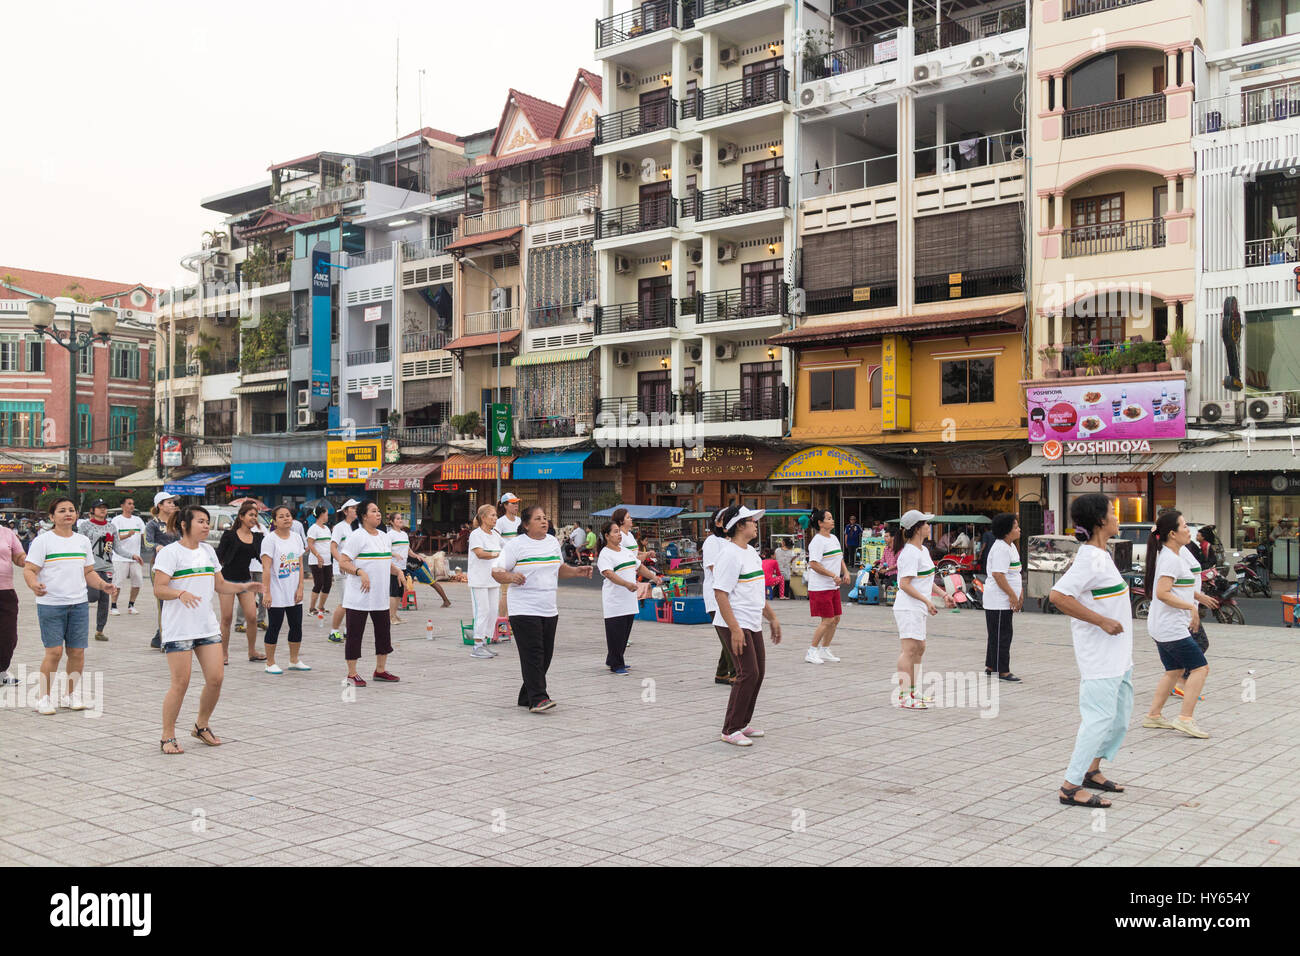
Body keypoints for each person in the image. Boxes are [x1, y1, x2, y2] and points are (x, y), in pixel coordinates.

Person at [1048, 493, 1133, 809]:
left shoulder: (1102, 554)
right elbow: (1058, 596)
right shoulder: (1088, 558)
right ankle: (1070, 787)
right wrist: (1101, 621)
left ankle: (1092, 769)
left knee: (1119, 719)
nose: (1116, 516)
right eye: (1112, 512)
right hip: (1100, 660)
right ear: (1100, 520)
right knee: (1098, 720)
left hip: (1120, 658)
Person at [154, 505, 259, 753]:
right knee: (181, 682)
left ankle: (201, 726)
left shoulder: (208, 551)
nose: (206, 526)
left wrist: (245, 586)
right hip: (179, 628)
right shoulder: (170, 553)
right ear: (184, 524)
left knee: (216, 678)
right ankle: (167, 736)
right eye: (201, 521)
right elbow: (159, 588)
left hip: (206, 627)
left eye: (207, 522)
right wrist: (179, 592)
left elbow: (220, 585)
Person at [492, 505, 593, 713]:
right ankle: (538, 698)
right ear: (526, 525)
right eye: (538, 519)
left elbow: (559, 568)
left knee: (545, 655)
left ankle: (526, 694)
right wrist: (511, 577)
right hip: (524, 609)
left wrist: (577, 572)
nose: (544, 521)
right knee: (533, 653)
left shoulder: (552, 543)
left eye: (545, 518)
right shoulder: (515, 545)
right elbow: (497, 571)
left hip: (548, 608)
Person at [24, 498, 117, 714]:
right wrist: (34, 585)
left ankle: (70, 695)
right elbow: (29, 569)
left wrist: (103, 585)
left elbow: (88, 572)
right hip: (51, 604)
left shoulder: (82, 541)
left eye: (72, 510)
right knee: (54, 652)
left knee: (77, 652)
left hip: (78, 604)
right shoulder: (43, 541)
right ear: (51, 516)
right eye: (62, 510)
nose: (68, 514)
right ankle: (43, 698)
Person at [713, 506, 782, 746]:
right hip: (734, 622)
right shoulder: (729, 554)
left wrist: (771, 618)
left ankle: (742, 723)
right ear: (740, 525)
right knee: (747, 673)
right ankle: (730, 729)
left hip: (752, 621)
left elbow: (756, 592)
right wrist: (734, 628)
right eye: (752, 521)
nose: (756, 524)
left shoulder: (751, 552)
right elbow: (720, 594)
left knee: (758, 673)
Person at [1141, 510, 1212, 739]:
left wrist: (1198, 598)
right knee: (1201, 668)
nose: (1187, 530)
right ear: (1172, 533)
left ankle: (1153, 716)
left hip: (1163, 625)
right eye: (1183, 526)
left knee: (1174, 670)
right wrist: (1191, 607)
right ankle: (1185, 718)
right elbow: (1162, 593)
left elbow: (1177, 587)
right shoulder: (1171, 558)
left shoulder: (1173, 554)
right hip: (1170, 626)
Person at [892, 510, 954, 710]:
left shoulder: (923, 550)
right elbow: (904, 584)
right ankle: (904, 696)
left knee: (920, 649)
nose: (930, 526)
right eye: (927, 523)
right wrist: (926, 602)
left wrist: (943, 594)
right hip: (908, 607)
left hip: (918, 607)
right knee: (909, 650)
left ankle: (913, 690)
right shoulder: (909, 552)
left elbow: (926, 580)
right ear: (918, 528)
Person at [337, 501, 400, 686]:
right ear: (364, 516)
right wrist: (360, 572)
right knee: (355, 634)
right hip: (359, 597)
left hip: (380, 596)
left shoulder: (384, 536)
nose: (378, 514)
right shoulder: (357, 536)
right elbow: (343, 562)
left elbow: (384, 561)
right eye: (374, 511)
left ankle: (380, 670)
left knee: (383, 634)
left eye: (379, 511)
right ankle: (352, 673)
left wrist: (399, 572)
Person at [597, 519, 660, 675]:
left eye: (619, 531)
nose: (619, 535)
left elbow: (639, 567)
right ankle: (616, 664)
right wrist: (626, 584)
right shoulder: (605, 554)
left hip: (629, 599)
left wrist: (654, 577)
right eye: (615, 532)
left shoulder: (625, 551)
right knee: (615, 633)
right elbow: (609, 574)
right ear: (607, 536)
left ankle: (613, 658)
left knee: (624, 632)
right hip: (615, 600)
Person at [260, 505, 310, 675]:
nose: (286, 519)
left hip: (294, 590)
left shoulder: (296, 538)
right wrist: (266, 592)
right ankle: (270, 662)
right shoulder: (270, 540)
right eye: (281, 516)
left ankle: (294, 660)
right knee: (275, 626)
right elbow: (266, 569)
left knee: (296, 626)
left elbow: (300, 564)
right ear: (274, 521)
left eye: (288, 515)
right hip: (276, 592)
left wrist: (301, 587)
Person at [216, 501, 265, 665]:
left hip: (246, 580)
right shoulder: (229, 535)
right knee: (227, 618)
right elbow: (218, 558)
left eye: (256, 515)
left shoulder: (257, 537)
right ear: (242, 517)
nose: (254, 518)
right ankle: (223, 654)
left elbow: (263, 557)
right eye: (251, 515)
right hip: (227, 580)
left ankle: (252, 652)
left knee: (252, 617)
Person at [806, 508, 850, 664]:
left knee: (836, 619)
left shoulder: (834, 538)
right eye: (829, 518)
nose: (832, 520)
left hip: (833, 587)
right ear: (820, 523)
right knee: (827, 620)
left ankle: (825, 649)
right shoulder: (817, 541)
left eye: (832, 518)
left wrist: (845, 572)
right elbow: (813, 564)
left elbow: (840, 558)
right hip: (820, 587)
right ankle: (811, 651)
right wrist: (833, 575)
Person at [983, 512, 1023, 682]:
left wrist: (1019, 594)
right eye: (1015, 527)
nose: (1019, 529)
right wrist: (1012, 595)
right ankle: (1002, 670)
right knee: (1002, 634)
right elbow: (998, 575)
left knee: (997, 633)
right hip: (998, 600)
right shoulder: (1000, 548)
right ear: (1007, 531)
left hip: (1006, 598)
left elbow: (1015, 573)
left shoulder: (1010, 546)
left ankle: (991, 665)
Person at [702, 508, 738, 686]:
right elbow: (713, 568)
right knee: (729, 636)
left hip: (732, 596)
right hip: (716, 596)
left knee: (729, 634)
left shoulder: (731, 542)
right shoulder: (711, 541)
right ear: (717, 523)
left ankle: (722, 673)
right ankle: (735, 673)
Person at [145, 491, 180, 649]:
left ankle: (159, 636)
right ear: (159, 505)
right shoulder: (152, 524)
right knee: (163, 602)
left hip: (177, 567)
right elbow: (147, 543)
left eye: (173, 502)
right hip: (159, 567)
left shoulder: (178, 523)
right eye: (169, 502)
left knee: (174, 602)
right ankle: (163, 639)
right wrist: (158, 547)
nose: (172, 505)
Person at [467, 504, 503, 660]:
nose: (495, 518)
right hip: (479, 580)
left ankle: (485, 641)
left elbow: (506, 548)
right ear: (483, 517)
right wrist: (496, 554)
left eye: (496, 515)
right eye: (492, 515)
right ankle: (477, 645)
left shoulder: (495, 533)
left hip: (493, 579)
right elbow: (480, 553)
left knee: (492, 611)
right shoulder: (476, 534)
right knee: (482, 610)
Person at [76, 499, 114, 643]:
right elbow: (79, 544)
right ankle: (78, 621)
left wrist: (132, 555)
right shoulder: (85, 526)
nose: (103, 510)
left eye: (105, 508)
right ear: (92, 510)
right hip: (90, 568)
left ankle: (100, 631)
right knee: (92, 596)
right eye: (99, 508)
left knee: (105, 601)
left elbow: (117, 547)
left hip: (107, 567)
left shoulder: (111, 527)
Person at [327, 499, 360, 644]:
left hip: (354, 570)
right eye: (352, 508)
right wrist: (341, 561)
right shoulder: (340, 527)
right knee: (345, 601)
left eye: (356, 508)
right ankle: (334, 631)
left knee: (353, 601)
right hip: (341, 570)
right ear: (345, 511)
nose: (355, 510)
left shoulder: (358, 527)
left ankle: (348, 629)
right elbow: (333, 547)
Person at [0, 519, 27, 687]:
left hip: (5, 592)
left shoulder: (6, 533)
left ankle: (1, 671)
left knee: (8, 636)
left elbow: (18, 557)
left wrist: (30, 560)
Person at [109, 496, 146, 615]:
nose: (132, 506)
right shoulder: (116, 520)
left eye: (133, 504)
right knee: (118, 582)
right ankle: (113, 606)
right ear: (123, 506)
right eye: (129, 503)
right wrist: (128, 535)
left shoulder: (138, 520)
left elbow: (144, 535)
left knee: (137, 581)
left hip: (136, 557)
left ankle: (131, 605)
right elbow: (114, 538)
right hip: (120, 557)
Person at [495, 493, 522, 625]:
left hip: (519, 561)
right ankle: (502, 622)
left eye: (517, 503)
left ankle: (511, 621)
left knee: (516, 592)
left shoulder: (520, 521)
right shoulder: (500, 522)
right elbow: (496, 539)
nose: (516, 506)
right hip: (506, 561)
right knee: (505, 593)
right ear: (505, 505)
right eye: (513, 503)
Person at [306, 506, 333, 617]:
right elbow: (310, 544)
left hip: (327, 561)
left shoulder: (326, 529)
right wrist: (318, 556)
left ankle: (321, 607)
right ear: (321, 514)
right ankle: (311, 608)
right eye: (326, 514)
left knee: (328, 584)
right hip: (316, 561)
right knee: (318, 584)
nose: (327, 516)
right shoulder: (313, 528)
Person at [387, 513, 413, 625]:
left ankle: (395, 614)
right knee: (393, 593)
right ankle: (390, 617)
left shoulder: (404, 534)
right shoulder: (390, 535)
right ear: (392, 522)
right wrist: (395, 554)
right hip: (393, 567)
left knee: (399, 593)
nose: (400, 520)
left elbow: (407, 548)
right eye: (397, 519)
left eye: (401, 518)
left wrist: (415, 555)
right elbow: (385, 550)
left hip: (403, 566)